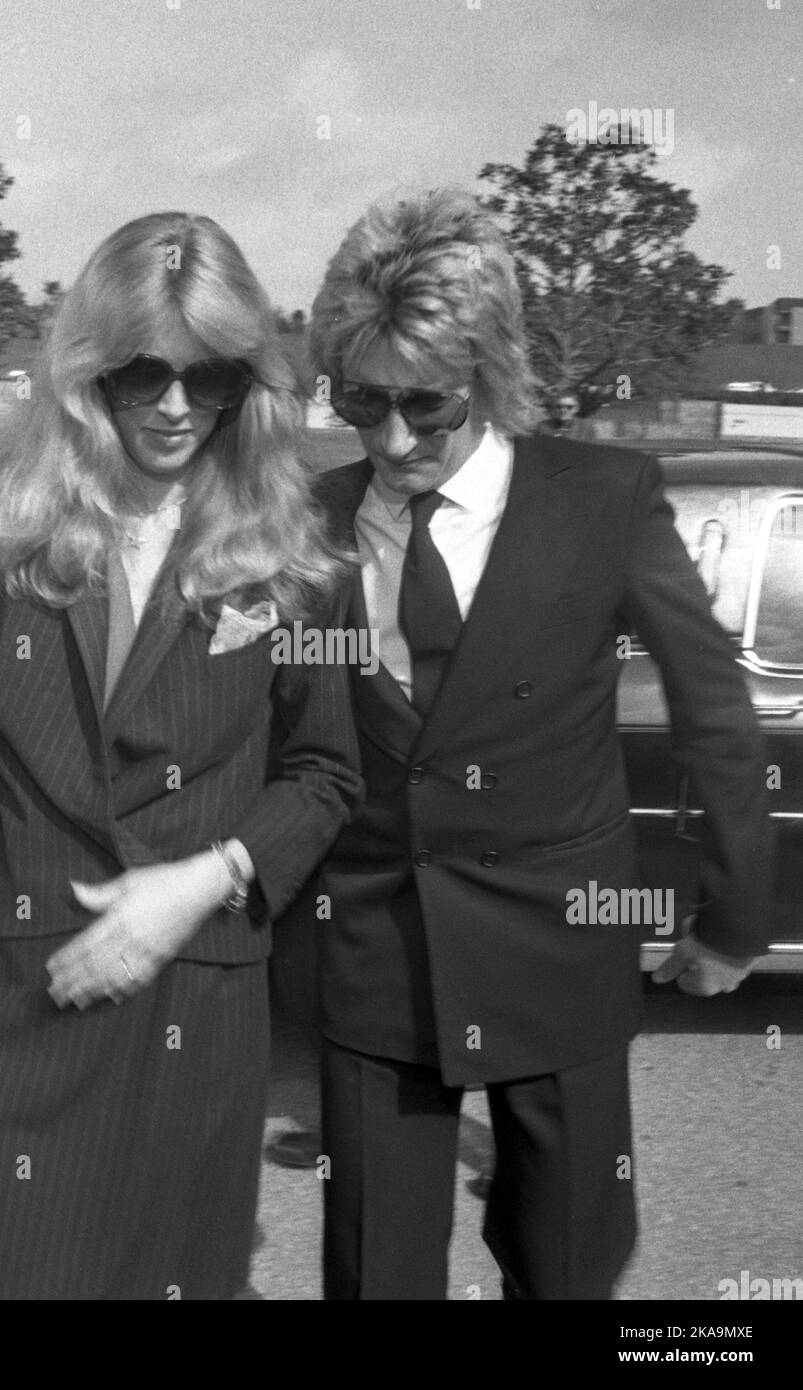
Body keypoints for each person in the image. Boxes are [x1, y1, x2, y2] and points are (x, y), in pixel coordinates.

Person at [0, 211, 362, 1300]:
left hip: (199, 995)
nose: (177, 407)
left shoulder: (299, 538)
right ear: (90, 370)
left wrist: (208, 881)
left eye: (210, 377)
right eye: (142, 374)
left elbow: (323, 775)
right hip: (22, 986)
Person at [294, 187, 772, 1300]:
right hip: (375, 962)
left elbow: (714, 713)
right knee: (375, 1277)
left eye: (427, 406)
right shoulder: (305, 518)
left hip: (562, 957)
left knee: (567, 1267)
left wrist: (732, 917)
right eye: (363, 402)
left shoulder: (603, 498)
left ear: (490, 379)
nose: (395, 439)